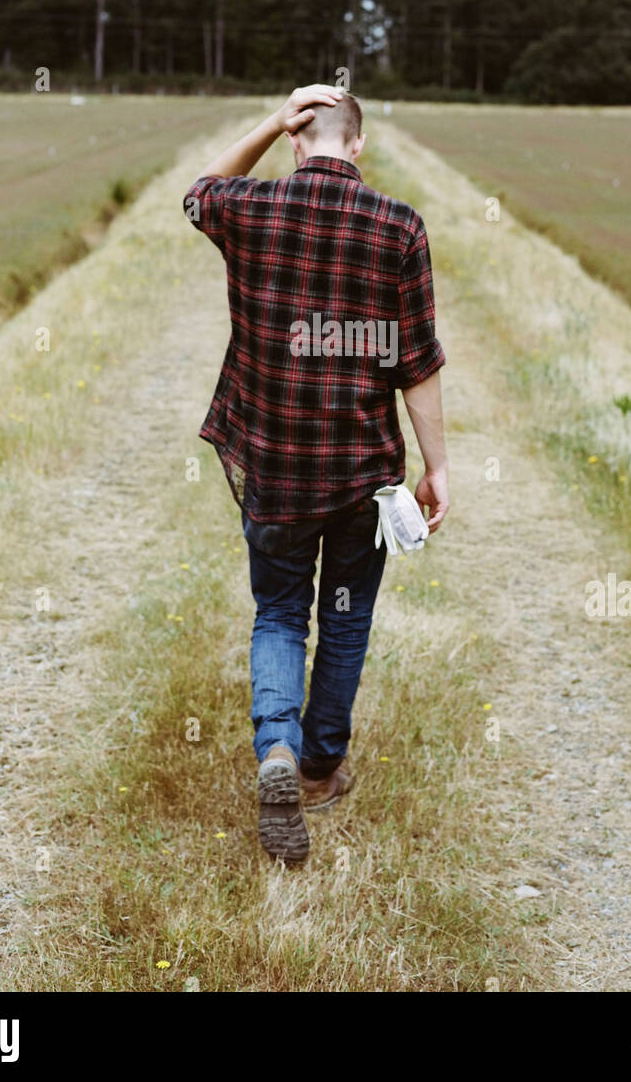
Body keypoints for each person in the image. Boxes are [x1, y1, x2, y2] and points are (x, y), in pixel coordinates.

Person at [184, 85, 448, 862]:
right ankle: (320, 766)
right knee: (344, 616)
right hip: (362, 473)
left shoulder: (251, 208)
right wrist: (438, 466)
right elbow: (419, 365)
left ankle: (276, 746)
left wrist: (270, 120)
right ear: (358, 145)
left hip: (273, 465)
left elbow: (198, 194)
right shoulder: (399, 226)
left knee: (277, 612)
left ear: (300, 141)